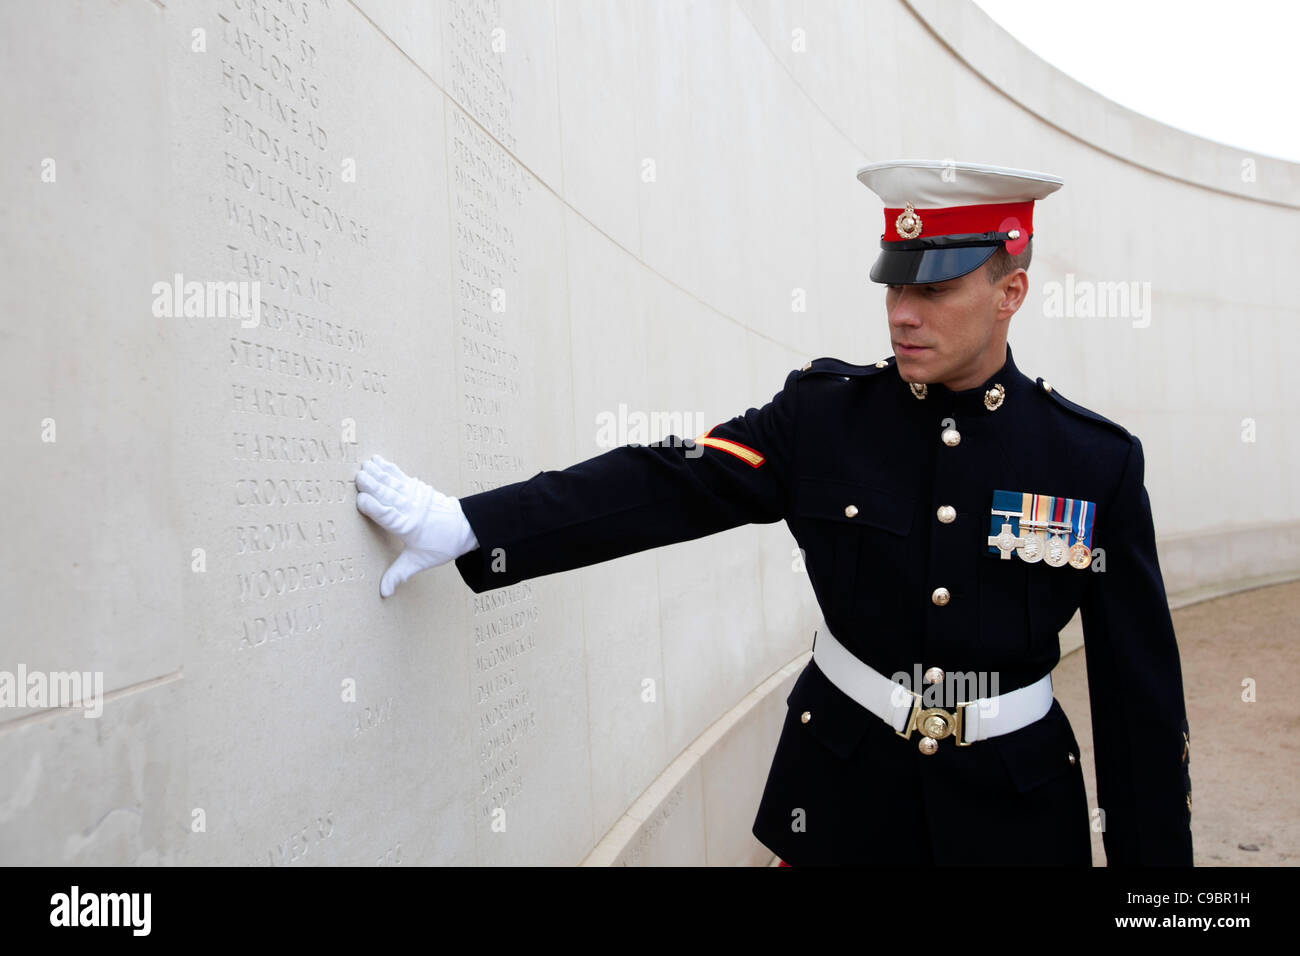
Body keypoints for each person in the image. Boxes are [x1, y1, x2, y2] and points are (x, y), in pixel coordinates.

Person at [354, 160, 1193, 866]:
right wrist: (468, 525)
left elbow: (1138, 703)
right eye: (895, 283)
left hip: (1013, 820)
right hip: (841, 800)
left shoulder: (1092, 462)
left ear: (1010, 291)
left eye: (936, 289)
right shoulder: (827, 418)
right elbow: (665, 482)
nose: (903, 311)